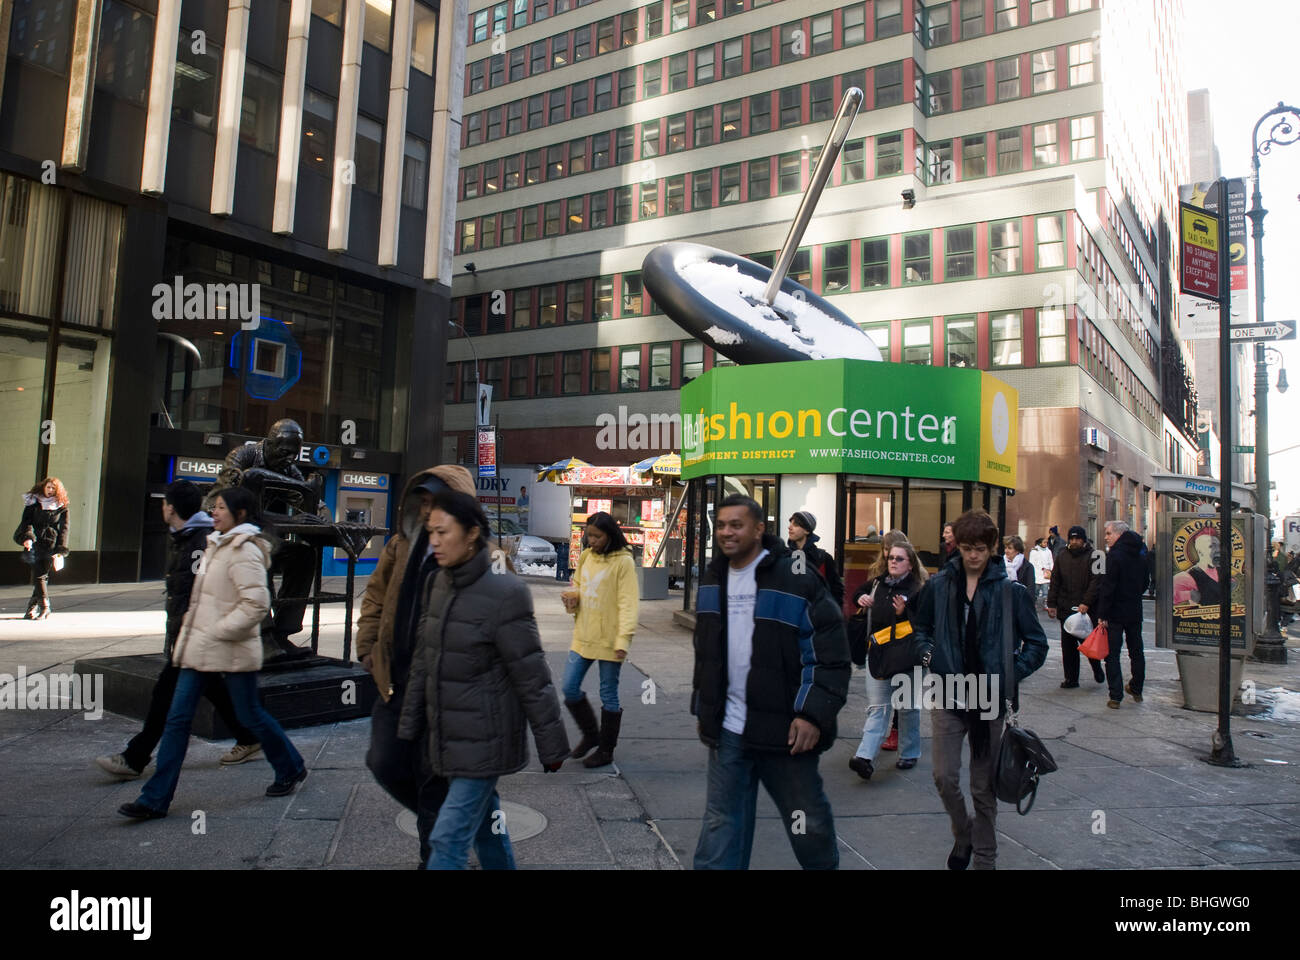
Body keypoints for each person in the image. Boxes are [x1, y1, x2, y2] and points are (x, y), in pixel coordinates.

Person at [396, 491, 569, 870]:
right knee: (487, 831)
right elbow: (425, 661)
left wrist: (552, 746)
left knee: (447, 839)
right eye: (431, 532)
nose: (434, 541)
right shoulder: (438, 583)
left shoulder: (506, 592)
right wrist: (410, 724)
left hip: (487, 741)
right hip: (449, 736)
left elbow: (531, 674)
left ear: (472, 533)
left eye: (443, 532)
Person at [118, 487, 307, 819]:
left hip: (230, 650)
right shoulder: (215, 544)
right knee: (176, 721)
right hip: (197, 651)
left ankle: (290, 766)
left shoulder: (244, 551)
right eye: (213, 506)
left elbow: (256, 605)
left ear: (241, 514)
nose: (214, 512)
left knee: (250, 716)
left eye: (221, 507)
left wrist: (218, 631)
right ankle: (154, 799)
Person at [691, 495, 849, 870]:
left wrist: (812, 715)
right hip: (729, 731)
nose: (727, 532)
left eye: (737, 524)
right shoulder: (713, 578)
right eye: (722, 524)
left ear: (759, 529)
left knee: (808, 827)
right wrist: (706, 709)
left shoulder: (796, 578)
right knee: (720, 828)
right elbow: (708, 654)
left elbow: (829, 653)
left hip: (787, 734)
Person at [96, 481, 261, 779]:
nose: (215, 511)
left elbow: (214, 592)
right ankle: (251, 737)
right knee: (214, 689)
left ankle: (136, 758)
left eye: (221, 507)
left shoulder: (201, 541)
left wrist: (198, 625)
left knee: (166, 698)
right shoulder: (186, 537)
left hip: (197, 634)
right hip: (190, 636)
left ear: (170, 508)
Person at [355, 464, 476, 867]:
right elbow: (374, 598)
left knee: (433, 782)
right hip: (397, 682)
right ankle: (452, 825)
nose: (427, 512)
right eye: (421, 502)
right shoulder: (400, 545)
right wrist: (368, 648)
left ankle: (436, 854)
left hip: (445, 694)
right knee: (384, 762)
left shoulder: (481, 557)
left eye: (435, 502)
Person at [913, 509, 1047, 871]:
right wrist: (929, 656)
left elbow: (1037, 644)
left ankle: (985, 859)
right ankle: (963, 833)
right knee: (944, 776)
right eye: (967, 547)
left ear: (992, 548)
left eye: (980, 548)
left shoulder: (1010, 591)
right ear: (957, 545)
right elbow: (920, 628)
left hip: (989, 700)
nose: (973, 555)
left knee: (983, 788)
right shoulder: (940, 586)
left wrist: (1010, 673)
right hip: (949, 693)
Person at [562, 511, 639, 768]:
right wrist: (572, 599)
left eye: (597, 536)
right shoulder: (585, 556)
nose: (591, 541)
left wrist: (623, 639)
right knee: (569, 688)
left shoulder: (624, 562)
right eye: (589, 536)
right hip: (583, 634)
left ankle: (606, 750)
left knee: (609, 693)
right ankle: (590, 734)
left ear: (610, 535)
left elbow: (629, 603)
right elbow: (578, 585)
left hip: (610, 639)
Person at [848, 538, 928, 780]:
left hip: (908, 656)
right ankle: (864, 757)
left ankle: (909, 753)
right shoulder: (877, 584)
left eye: (899, 559)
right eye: (890, 558)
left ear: (910, 564)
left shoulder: (919, 589)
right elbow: (858, 594)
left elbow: (927, 622)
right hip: (879, 654)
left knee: (907, 708)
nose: (893, 562)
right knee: (878, 708)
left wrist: (906, 613)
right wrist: (860, 599)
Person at [1096, 520, 1150, 708]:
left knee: (1112, 654)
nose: (1106, 537)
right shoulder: (1141, 552)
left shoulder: (1115, 555)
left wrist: (1102, 613)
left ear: (1119, 534)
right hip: (1134, 609)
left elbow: (1108, 586)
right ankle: (1136, 687)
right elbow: (1145, 582)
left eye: (1109, 533)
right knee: (1136, 651)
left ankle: (1115, 695)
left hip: (1115, 612)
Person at [1046, 526, 1104, 687]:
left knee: (1087, 642)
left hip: (1086, 608)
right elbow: (1055, 581)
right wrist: (1051, 603)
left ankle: (1096, 667)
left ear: (1084, 540)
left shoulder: (1096, 556)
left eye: (1078, 539)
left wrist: (1086, 602)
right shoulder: (1062, 555)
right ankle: (1071, 678)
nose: (1074, 542)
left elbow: (1097, 582)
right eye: (1072, 538)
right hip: (1066, 607)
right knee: (1068, 646)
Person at [14, 477, 69, 620]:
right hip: (34, 542)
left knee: (43, 576)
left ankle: (31, 609)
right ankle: (45, 607)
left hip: (51, 543)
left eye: (53, 488)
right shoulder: (33, 502)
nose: (50, 490)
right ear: (43, 487)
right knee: (39, 575)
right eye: (48, 487)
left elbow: (64, 529)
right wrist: (28, 537)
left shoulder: (61, 506)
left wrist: (60, 550)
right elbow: (26, 521)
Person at [786, 510, 845, 608]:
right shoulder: (785, 556)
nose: (789, 527)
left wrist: (833, 614)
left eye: (795, 524)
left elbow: (836, 590)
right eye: (790, 523)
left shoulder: (824, 558)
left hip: (817, 615)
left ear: (807, 530)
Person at [1028, 537, 1054, 607]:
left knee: (1046, 591)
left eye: (1046, 542)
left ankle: (1045, 603)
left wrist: (1051, 570)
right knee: (1036, 591)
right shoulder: (1034, 551)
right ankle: (1034, 602)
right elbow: (1032, 563)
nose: (1046, 544)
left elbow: (1051, 562)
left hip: (1046, 574)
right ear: (1040, 543)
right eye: (1044, 542)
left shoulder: (1048, 551)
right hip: (1037, 574)